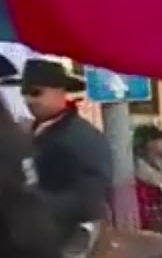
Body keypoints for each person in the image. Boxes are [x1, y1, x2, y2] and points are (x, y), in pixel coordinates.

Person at [0, 59, 112, 242]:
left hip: (69, 238)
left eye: (36, 92)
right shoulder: (24, 133)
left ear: (60, 91)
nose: (28, 100)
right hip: (29, 233)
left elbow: (89, 200)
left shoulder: (84, 138)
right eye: (24, 93)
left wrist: (32, 203)